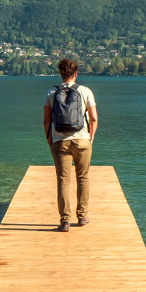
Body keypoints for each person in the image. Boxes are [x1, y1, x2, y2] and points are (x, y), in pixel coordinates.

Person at [42, 56, 97, 231]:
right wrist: (91, 138)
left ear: (60, 73)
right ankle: (82, 217)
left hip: (59, 142)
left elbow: (46, 121)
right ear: (75, 73)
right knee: (83, 178)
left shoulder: (51, 92)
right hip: (82, 140)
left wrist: (50, 139)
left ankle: (65, 221)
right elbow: (94, 118)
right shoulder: (86, 91)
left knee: (63, 180)